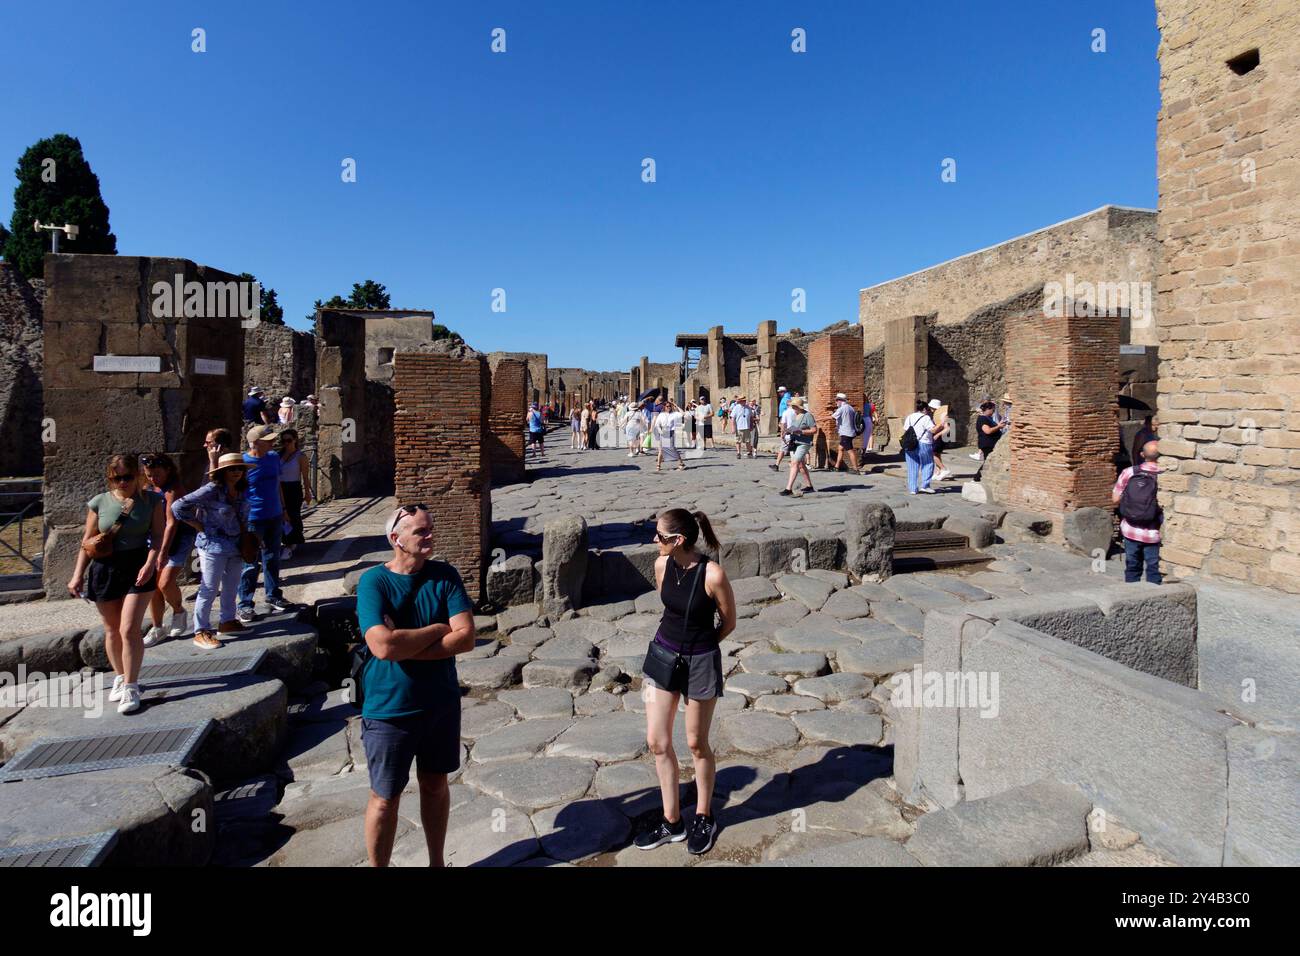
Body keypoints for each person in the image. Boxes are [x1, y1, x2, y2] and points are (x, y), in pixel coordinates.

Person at [355, 504, 477, 867]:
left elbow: (467, 638)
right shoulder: (373, 582)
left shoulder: (445, 575)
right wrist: (438, 630)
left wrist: (403, 645)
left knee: (436, 785)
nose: (430, 537)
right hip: (389, 707)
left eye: (430, 530)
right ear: (396, 539)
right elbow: (381, 645)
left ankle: (437, 863)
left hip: (440, 703)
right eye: (421, 532)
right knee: (385, 797)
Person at [635, 508, 736, 856]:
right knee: (657, 741)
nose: (654, 541)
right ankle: (671, 820)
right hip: (664, 656)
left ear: (678, 540)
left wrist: (702, 647)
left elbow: (729, 621)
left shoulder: (713, 574)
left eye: (659, 536)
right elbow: (670, 607)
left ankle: (704, 815)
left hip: (700, 661)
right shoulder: (662, 565)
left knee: (696, 743)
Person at [67, 455, 164, 715]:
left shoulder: (153, 500)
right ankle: (120, 676)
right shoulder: (99, 502)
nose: (121, 482)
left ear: (138, 476)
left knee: (129, 628)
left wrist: (150, 563)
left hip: (137, 566)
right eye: (116, 477)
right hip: (105, 568)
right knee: (111, 630)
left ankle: (132, 685)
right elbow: (88, 542)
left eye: (127, 477)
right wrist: (77, 575)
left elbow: (157, 536)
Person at [173, 452, 254, 649]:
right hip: (213, 546)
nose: (236, 472)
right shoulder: (210, 490)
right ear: (223, 472)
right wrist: (200, 526)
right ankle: (201, 630)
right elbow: (178, 507)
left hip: (235, 545)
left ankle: (227, 621)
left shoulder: (242, 489)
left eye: (239, 468)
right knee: (209, 588)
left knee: (231, 585)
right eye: (231, 469)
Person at [237, 424, 292, 623]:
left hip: (274, 514)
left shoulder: (273, 458)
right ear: (256, 442)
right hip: (253, 518)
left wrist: (284, 509)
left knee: (272, 558)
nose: (273, 442)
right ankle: (244, 604)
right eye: (268, 440)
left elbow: (277, 484)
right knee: (250, 563)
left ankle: (273, 594)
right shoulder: (243, 462)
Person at [141, 453, 194, 647]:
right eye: (149, 475)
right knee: (151, 585)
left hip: (178, 538)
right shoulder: (149, 488)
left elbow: (171, 524)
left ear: (168, 470)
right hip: (154, 539)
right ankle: (157, 627)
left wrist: (162, 551)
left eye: (156, 474)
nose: (153, 478)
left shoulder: (174, 490)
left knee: (164, 582)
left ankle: (179, 611)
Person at [1113, 439, 1163, 584]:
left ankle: (1131, 597)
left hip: (1130, 529)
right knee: (1155, 570)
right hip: (1155, 532)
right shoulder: (1166, 475)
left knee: (1132, 568)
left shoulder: (1129, 472)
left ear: (1142, 454)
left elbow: (1115, 499)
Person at [278, 429, 313, 560]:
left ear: (295, 440)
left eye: (289, 440)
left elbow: (305, 476)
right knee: (282, 515)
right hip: (281, 487)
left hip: (293, 488)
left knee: (292, 515)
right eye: (284, 441)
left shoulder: (300, 457)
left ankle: (289, 544)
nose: (286, 443)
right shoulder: (279, 455)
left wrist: (307, 492)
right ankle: (287, 541)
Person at [901, 400, 944, 494]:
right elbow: (933, 430)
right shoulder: (926, 418)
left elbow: (905, 429)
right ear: (924, 409)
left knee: (912, 466)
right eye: (927, 409)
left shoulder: (910, 417)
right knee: (928, 463)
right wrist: (941, 423)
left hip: (910, 444)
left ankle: (913, 488)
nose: (928, 411)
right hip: (924, 443)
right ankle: (925, 485)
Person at [780, 396, 817, 496]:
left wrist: (801, 431)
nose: (793, 408)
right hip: (796, 442)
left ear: (800, 407)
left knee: (794, 463)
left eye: (794, 406)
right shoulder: (795, 416)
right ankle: (809, 486)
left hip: (804, 443)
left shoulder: (808, 416)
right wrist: (787, 432)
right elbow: (794, 428)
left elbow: (814, 430)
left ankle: (788, 488)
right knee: (801, 465)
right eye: (792, 406)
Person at [654, 399, 687, 473]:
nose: (669, 407)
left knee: (672, 448)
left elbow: (683, 413)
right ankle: (658, 465)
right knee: (661, 449)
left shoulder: (674, 414)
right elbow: (657, 424)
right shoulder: (661, 415)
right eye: (667, 406)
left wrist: (676, 406)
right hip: (663, 433)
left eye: (670, 406)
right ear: (664, 407)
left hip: (671, 432)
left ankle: (681, 463)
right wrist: (660, 431)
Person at [831, 393, 861, 474]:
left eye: (837, 400)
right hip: (850, 432)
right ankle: (837, 467)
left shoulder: (841, 409)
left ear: (840, 400)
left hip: (846, 433)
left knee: (850, 451)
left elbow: (832, 417)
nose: (836, 402)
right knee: (840, 448)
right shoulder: (850, 407)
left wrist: (818, 419)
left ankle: (855, 469)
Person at [770, 393, 800, 472]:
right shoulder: (797, 412)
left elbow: (783, 424)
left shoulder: (786, 412)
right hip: (797, 433)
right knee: (795, 450)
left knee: (782, 450)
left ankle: (777, 465)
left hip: (788, 434)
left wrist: (782, 433)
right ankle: (798, 465)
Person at [972, 401, 1008, 465]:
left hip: (990, 443)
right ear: (988, 409)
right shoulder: (982, 419)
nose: (993, 412)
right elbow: (987, 431)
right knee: (989, 463)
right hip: (987, 444)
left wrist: (999, 424)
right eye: (992, 410)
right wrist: (998, 427)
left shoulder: (988, 418)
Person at [928, 399, 954, 481]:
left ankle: (944, 469)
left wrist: (938, 434)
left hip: (939, 437)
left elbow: (948, 428)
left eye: (931, 408)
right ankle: (938, 471)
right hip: (939, 437)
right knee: (937, 454)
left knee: (933, 454)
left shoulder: (943, 416)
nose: (930, 409)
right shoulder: (939, 415)